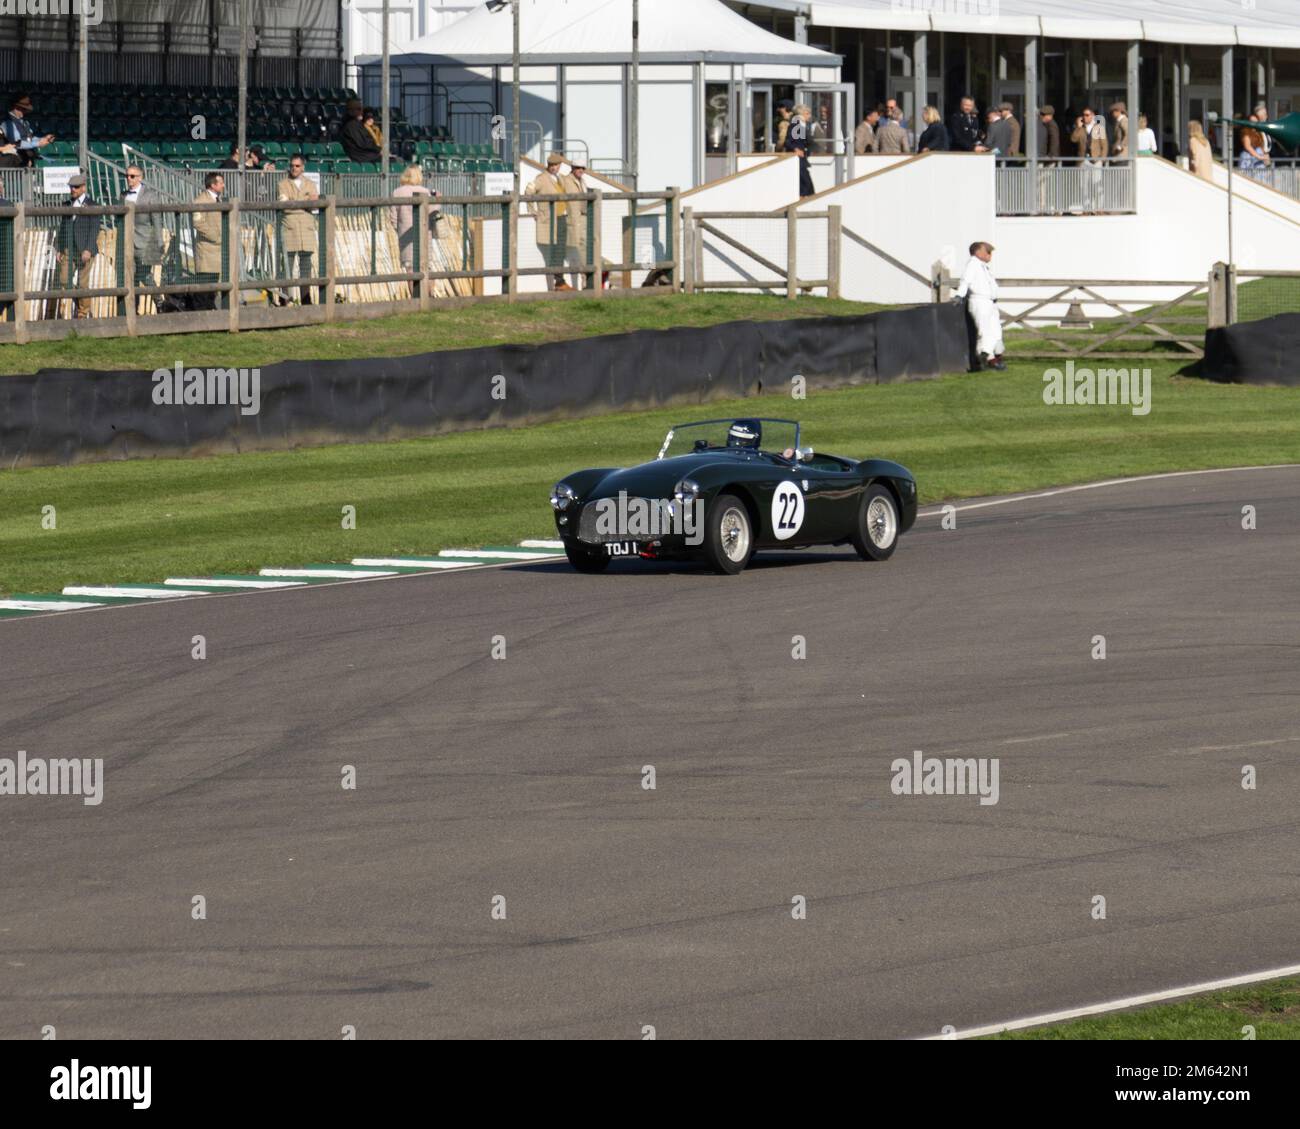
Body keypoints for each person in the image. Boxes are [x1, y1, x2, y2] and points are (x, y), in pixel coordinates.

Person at [120, 165, 169, 314]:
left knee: (145, 275)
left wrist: (159, 242)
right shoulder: (123, 195)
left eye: (132, 176)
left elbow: (157, 219)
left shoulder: (150, 195)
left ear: (140, 178)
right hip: (127, 242)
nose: (129, 178)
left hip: (145, 241)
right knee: (129, 276)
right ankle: (132, 310)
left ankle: (159, 302)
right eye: (127, 175)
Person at [954, 241, 1004, 371]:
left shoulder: (983, 266)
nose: (990, 255)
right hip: (980, 301)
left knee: (996, 332)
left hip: (990, 302)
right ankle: (983, 358)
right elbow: (966, 280)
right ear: (978, 252)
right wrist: (960, 295)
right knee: (985, 332)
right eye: (988, 251)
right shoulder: (973, 264)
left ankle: (989, 358)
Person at [56, 173, 101, 319]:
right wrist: (59, 248)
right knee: (64, 280)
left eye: (75, 187)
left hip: (85, 249)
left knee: (83, 283)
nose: (72, 190)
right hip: (69, 248)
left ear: (83, 187)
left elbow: (95, 228)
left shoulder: (93, 205)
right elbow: (63, 227)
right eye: (71, 187)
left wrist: (88, 249)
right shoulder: (67, 204)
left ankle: (82, 313)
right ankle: (81, 303)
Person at [525, 152, 571, 290]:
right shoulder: (541, 179)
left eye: (555, 165)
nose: (553, 167)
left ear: (560, 166)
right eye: (551, 165)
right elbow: (528, 191)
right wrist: (533, 211)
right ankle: (559, 282)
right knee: (553, 251)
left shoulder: (562, 178)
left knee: (561, 251)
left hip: (562, 218)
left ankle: (560, 282)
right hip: (550, 220)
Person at [278, 154, 319, 304]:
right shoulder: (283, 184)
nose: (294, 168)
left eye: (297, 166)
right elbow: (285, 207)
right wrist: (306, 201)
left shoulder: (310, 183)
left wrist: (295, 202)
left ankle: (305, 299)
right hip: (290, 230)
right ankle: (284, 299)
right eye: (292, 165)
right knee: (286, 267)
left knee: (306, 268)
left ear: (303, 167)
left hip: (306, 231)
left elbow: (314, 205)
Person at [389, 163, 434, 273]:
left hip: (405, 235)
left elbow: (393, 217)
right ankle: (430, 291)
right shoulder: (425, 191)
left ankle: (413, 291)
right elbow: (431, 212)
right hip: (423, 233)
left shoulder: (397, 192)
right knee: (427, 268)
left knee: (410, 269)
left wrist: (399, 229)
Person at [190, 171, 225, 311]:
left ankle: (210, 309)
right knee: (205, 282)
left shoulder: (220, 199)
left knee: (214, 282)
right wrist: (215, 237)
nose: (223, 185)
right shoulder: (199, 201)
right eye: (220, 182)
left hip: (218, 249)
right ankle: (202, 311)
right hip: (207, 248)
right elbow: (198, 223)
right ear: (212, 185)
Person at [560, 159, 594, 289]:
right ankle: (586, 275)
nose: (580, 170)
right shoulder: (565, 180)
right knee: (580, 247)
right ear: (572, 168)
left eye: (583, 168)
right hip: (573, 220)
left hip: (584, 218)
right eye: (578, 168)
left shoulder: (583, 181)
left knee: (586, 246)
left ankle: (587, 276)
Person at [1071, 106, 1109, 210]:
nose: (1085, 117)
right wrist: (1078, 126)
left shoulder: (1099, 128)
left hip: (1096, 160)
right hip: (1083, 160)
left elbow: (1104, 145)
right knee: (1084, 186)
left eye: (1087, 115)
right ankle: (1086, 208)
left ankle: (1098, 207)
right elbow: (1073, 139)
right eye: (1083, 115)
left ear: (1092, 116)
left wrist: (1102, 159)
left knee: (1097, 184)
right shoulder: (1081, 128)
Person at [3, 94, 54, 167]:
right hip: (15, 163)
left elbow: (30, 137)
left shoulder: (25, 122)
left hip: (26, 159)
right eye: (23, 109)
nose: (25, 111)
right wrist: (38, 143)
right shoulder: (6, 123)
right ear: (16, 107)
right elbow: (17, 143)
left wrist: (43, 138)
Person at [786, 105, 816, 197]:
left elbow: (805, 142)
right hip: (798, 159)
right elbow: (789, 142)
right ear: (801, 114)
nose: (809, 116)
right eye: (807, 113)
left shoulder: (802, 125)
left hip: (802, 158)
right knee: (805, 184)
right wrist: (796, 149)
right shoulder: (796, 125)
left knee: (806, 184)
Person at [340, 99, 382, 164]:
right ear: (350, 111)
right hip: (360, 156)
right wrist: (379, 150)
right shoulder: (352, 125)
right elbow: (363, 143)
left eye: (362, 109)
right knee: (394, 160)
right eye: (359, 109)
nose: (362, 112)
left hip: (364, 154)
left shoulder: (357, 124)